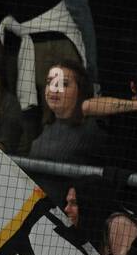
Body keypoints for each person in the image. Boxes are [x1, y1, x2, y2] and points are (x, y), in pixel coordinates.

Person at [27, 59, 108, 202]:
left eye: (63, 84)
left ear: (81, 90)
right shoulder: (45, 126)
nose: (54, 88)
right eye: (49, 82)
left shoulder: (92, 128)